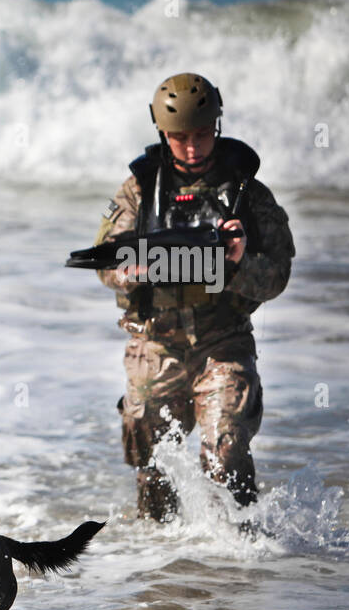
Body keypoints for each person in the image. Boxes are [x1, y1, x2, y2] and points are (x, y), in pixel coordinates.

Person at [94, 72, 295, 521]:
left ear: (217, 127)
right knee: (151, 468)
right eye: (179, 137)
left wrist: (240, 261)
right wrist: (132, 269)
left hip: (223, 340)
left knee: (226, 453)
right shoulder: (138, 190)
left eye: (201, 135)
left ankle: (245, 553)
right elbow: (106, 264)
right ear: (162, 133)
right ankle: (163, 565)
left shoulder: (248, 194)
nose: (191, 147)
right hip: (155, 342)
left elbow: (278, 276)